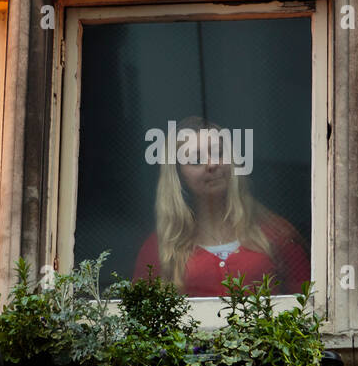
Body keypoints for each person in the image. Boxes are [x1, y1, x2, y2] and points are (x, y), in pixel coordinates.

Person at [133, 115, 310, 297]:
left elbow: (308, 308)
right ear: (178, 175)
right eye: (196, 159)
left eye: (218, 153)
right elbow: (141, 319)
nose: (212, 164)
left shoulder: (277, 234)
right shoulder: (160, 248)